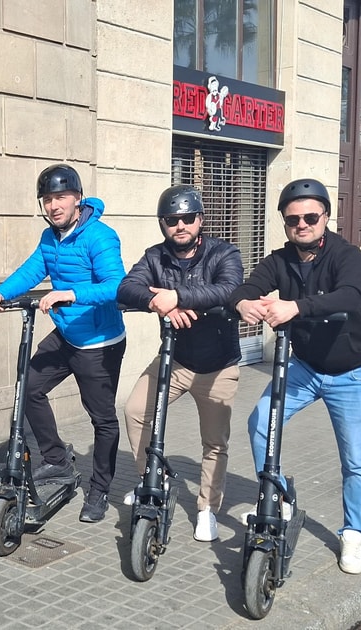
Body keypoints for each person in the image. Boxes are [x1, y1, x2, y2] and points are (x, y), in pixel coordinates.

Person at [228, 178, 361, 575]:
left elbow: (349, 295)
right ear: (284, 222)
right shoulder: (280, 260)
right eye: (293, 218)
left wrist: (295, 307)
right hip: (307, 368)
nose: (302, 224)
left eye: (310, 216)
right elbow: (247, 286)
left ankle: (352, 534)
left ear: (325, 217)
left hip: (353, 372)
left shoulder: (346, 254)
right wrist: (243, 301)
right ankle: (277, 497)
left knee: (355, 460)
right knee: (260, 423)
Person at [0, 163, 126, 524]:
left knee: (102, 419)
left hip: (99, 342)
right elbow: (32, 270)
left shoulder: (100, 236)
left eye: (60, 197)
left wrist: (69, 293)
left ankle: (99, 489)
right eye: (47, 199)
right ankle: (58, 459)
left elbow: (116, 285)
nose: (53, 205)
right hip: (66, 334)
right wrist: (0, 293)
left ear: (77, 198)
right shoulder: (50, 238)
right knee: (29, 388)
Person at [117, 185, 243, 542]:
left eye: (188, 218)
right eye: (173, 220)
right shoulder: (155, 257)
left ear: (200, 220)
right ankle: (153, 480)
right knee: (135, 410)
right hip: (174, 360)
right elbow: (127, 288)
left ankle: (207, 509)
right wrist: (162, 304)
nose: (181, 226)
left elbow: (229, 290)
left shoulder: (223, 253)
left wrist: (179, 295)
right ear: (163, 224)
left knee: (214, 442)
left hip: (219, 365)